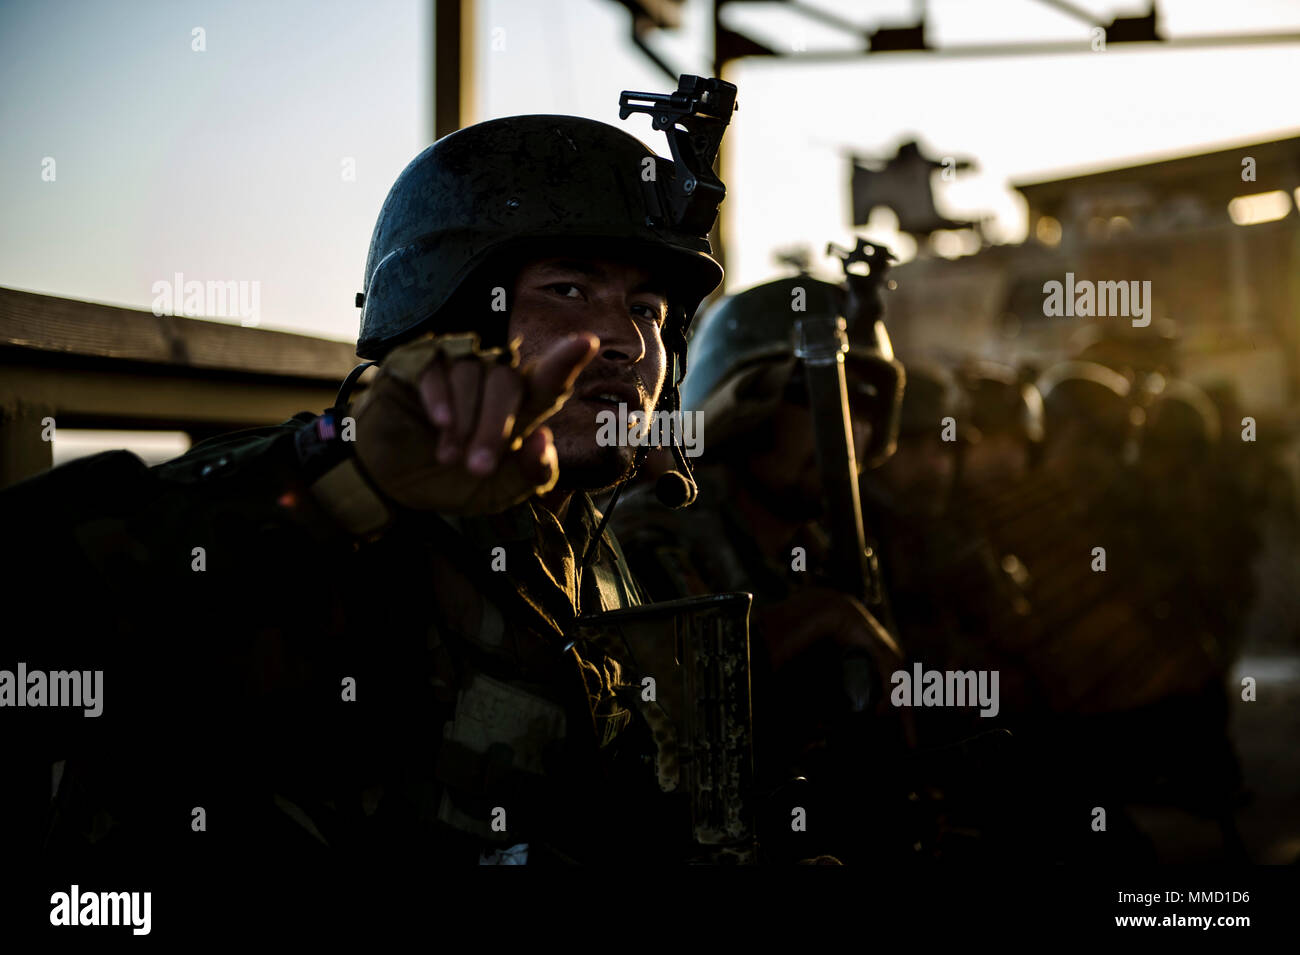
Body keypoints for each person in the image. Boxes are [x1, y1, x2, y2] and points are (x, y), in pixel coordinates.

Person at [2, 79, 737, 867]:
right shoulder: (326, 516)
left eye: (650, 311)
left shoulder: (581, 547)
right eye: (568, 288)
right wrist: (343, 477)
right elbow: (37, 602)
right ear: (450, 316)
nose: (626, 341)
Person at [611, 269, 915, 862]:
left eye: (865, 401)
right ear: (744, 405)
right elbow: (668, 708)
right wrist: (818, 618)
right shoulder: (651, 529)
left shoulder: (832, 553)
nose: (848, 427)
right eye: (816, 395)